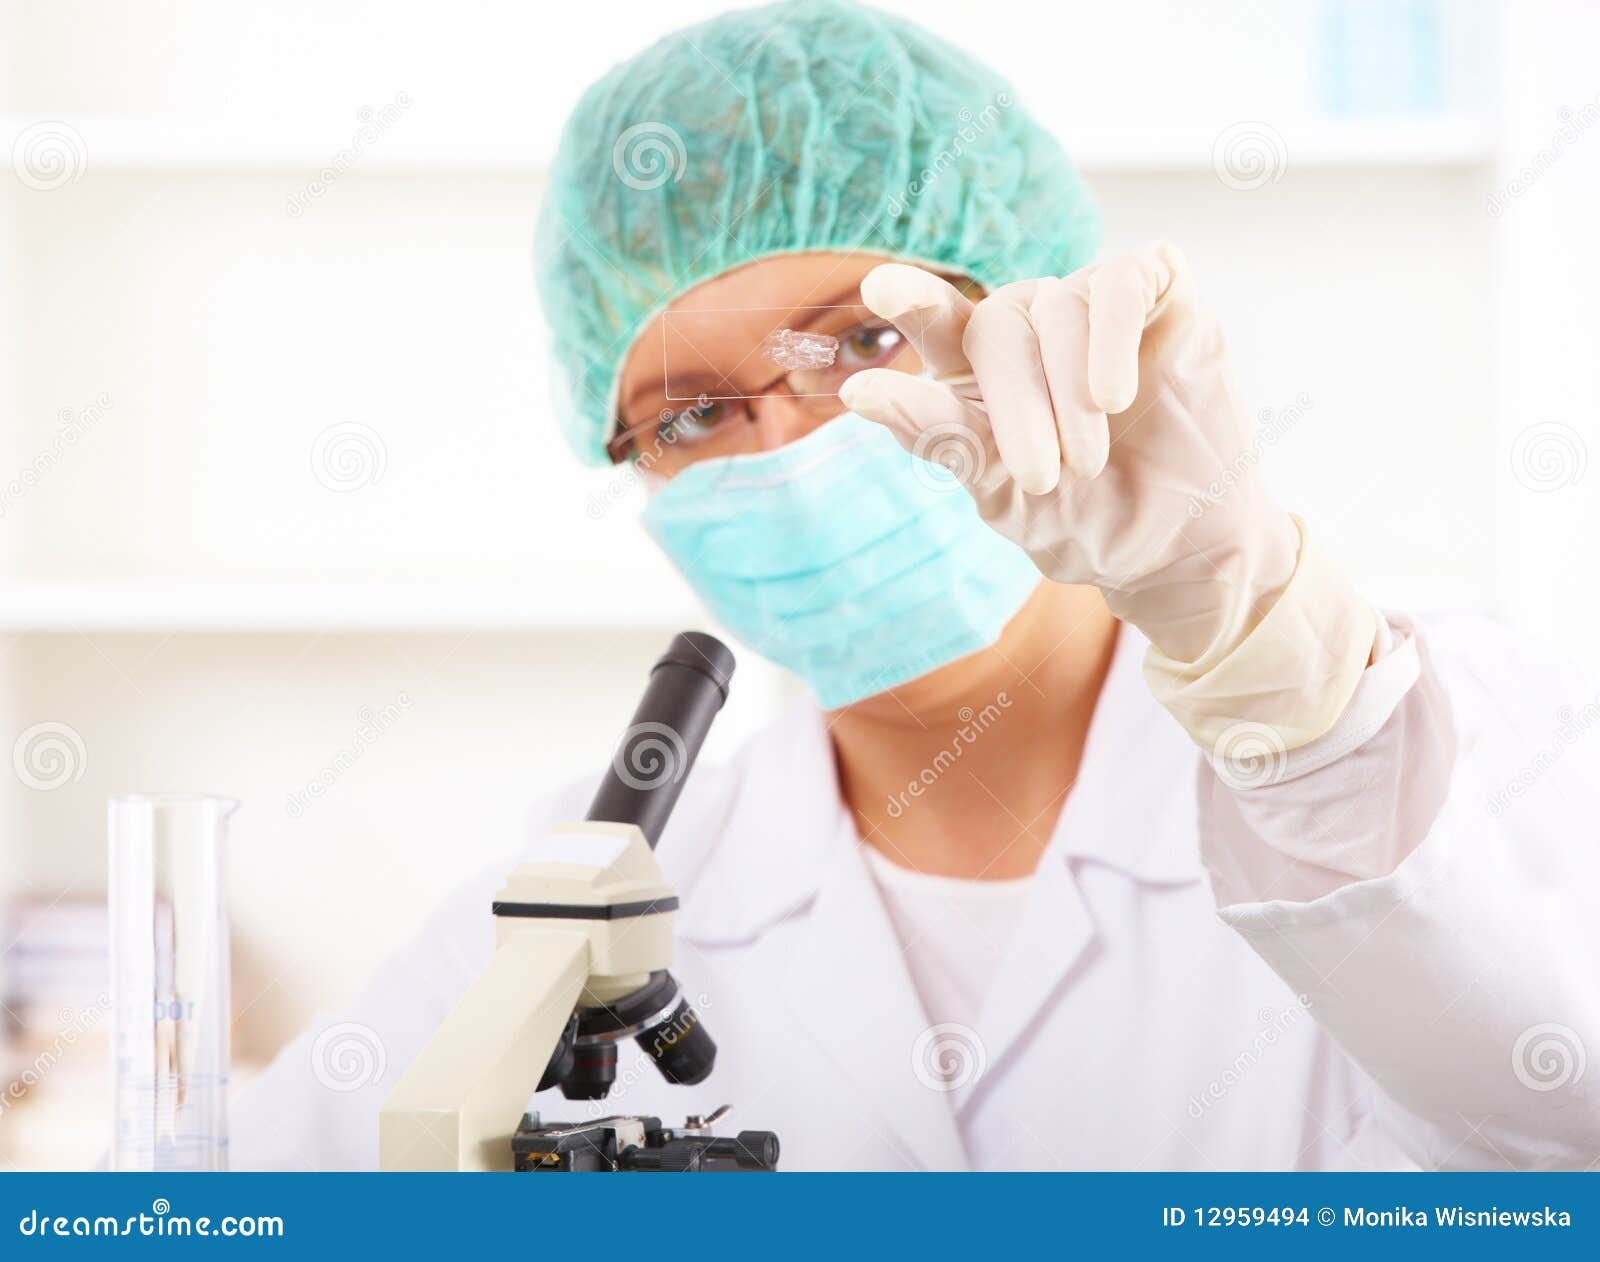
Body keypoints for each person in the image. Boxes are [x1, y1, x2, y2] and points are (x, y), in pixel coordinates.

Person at [232, 0, 1600, 1171]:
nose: (790, 447)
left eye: (860, 342)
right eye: (691, 413)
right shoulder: (599, 886)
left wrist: (1270, 667)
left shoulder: (1407, 750)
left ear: (1031, 318)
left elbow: (1558, 1139)